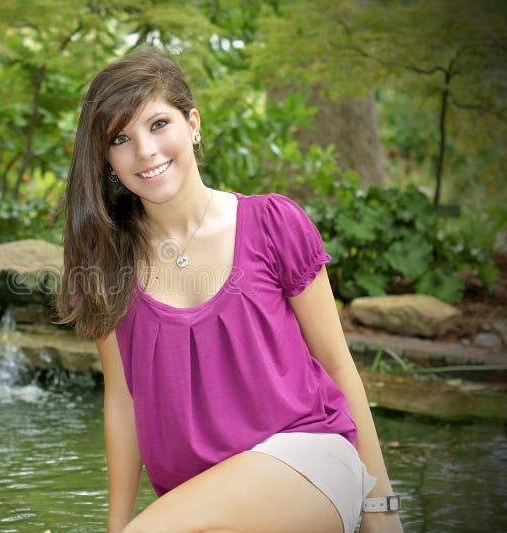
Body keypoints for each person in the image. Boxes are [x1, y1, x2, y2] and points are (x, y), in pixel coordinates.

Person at [56, 47, 403, 533]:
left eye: (158, 125)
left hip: (308, 458)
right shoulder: (105, 265)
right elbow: (122, 401)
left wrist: (382, 514)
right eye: (121, 138)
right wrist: (117, 526)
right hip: (197, 502)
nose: (146, 151)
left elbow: (337, 363)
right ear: (108, 159)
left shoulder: (272, 224)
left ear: (193, 124)